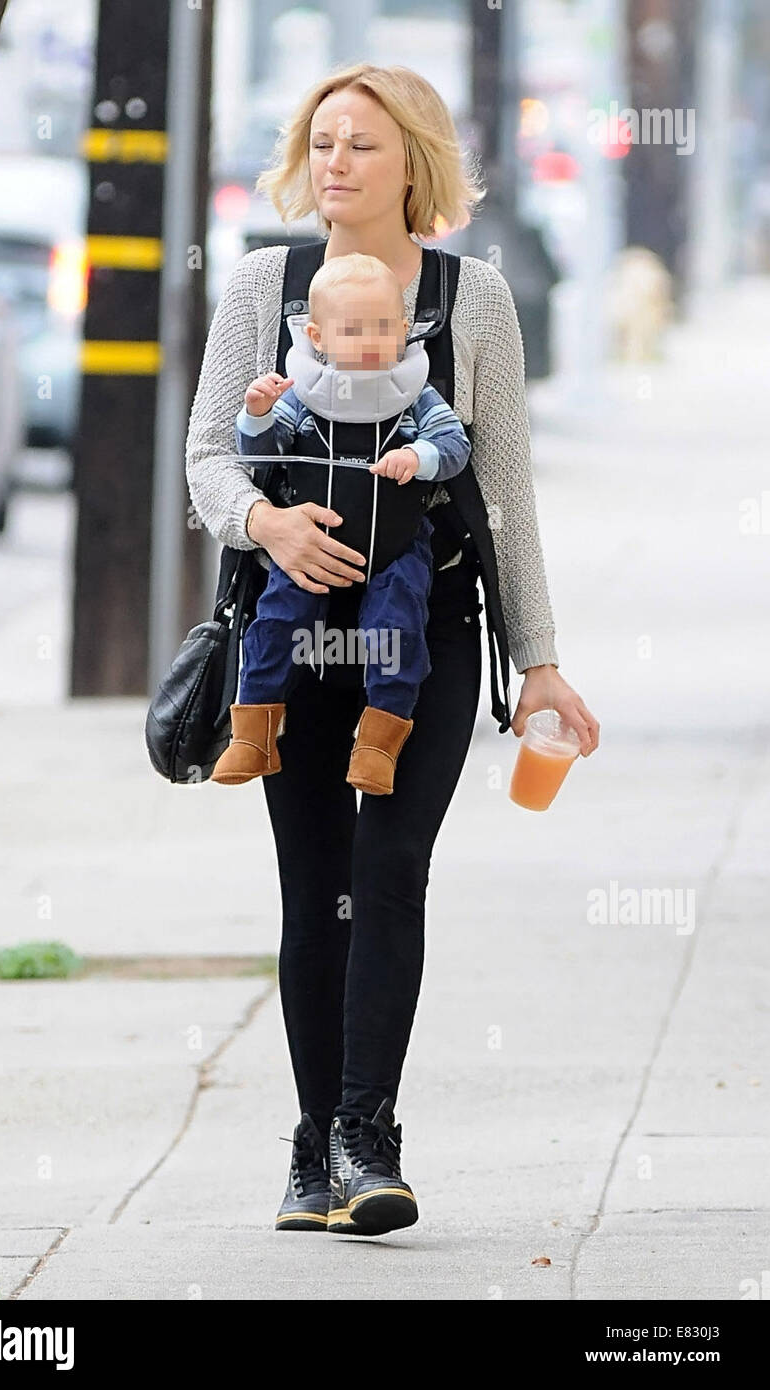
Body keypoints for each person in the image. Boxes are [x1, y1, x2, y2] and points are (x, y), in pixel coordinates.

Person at [185, 62, 600, 1238]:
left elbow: (504, 493)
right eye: (321, 142)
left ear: (413, 160)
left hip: (425, 634)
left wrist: (541, 661)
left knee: (392, 867)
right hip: (291, 638)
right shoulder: (265, 286)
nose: (335, 164)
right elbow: (210, 452)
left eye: (361, 144)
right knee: (315, 886)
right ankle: (313, 1149)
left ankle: (370, 1134)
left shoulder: (474, 303)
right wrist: (262, 522)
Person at [211, 251, 472, 795]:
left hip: (396, 546)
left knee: (396, 632)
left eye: (383, 328)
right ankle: (253, 730)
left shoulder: (414, 395)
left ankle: (378, 745)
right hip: (307, 547)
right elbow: (262, 458)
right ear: (317, 336)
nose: (369, 341)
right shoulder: (303, 394)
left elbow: (454, 446)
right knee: (277, 619)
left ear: (404, 330)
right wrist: (257, 415)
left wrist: (418, 457)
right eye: (352, 330)